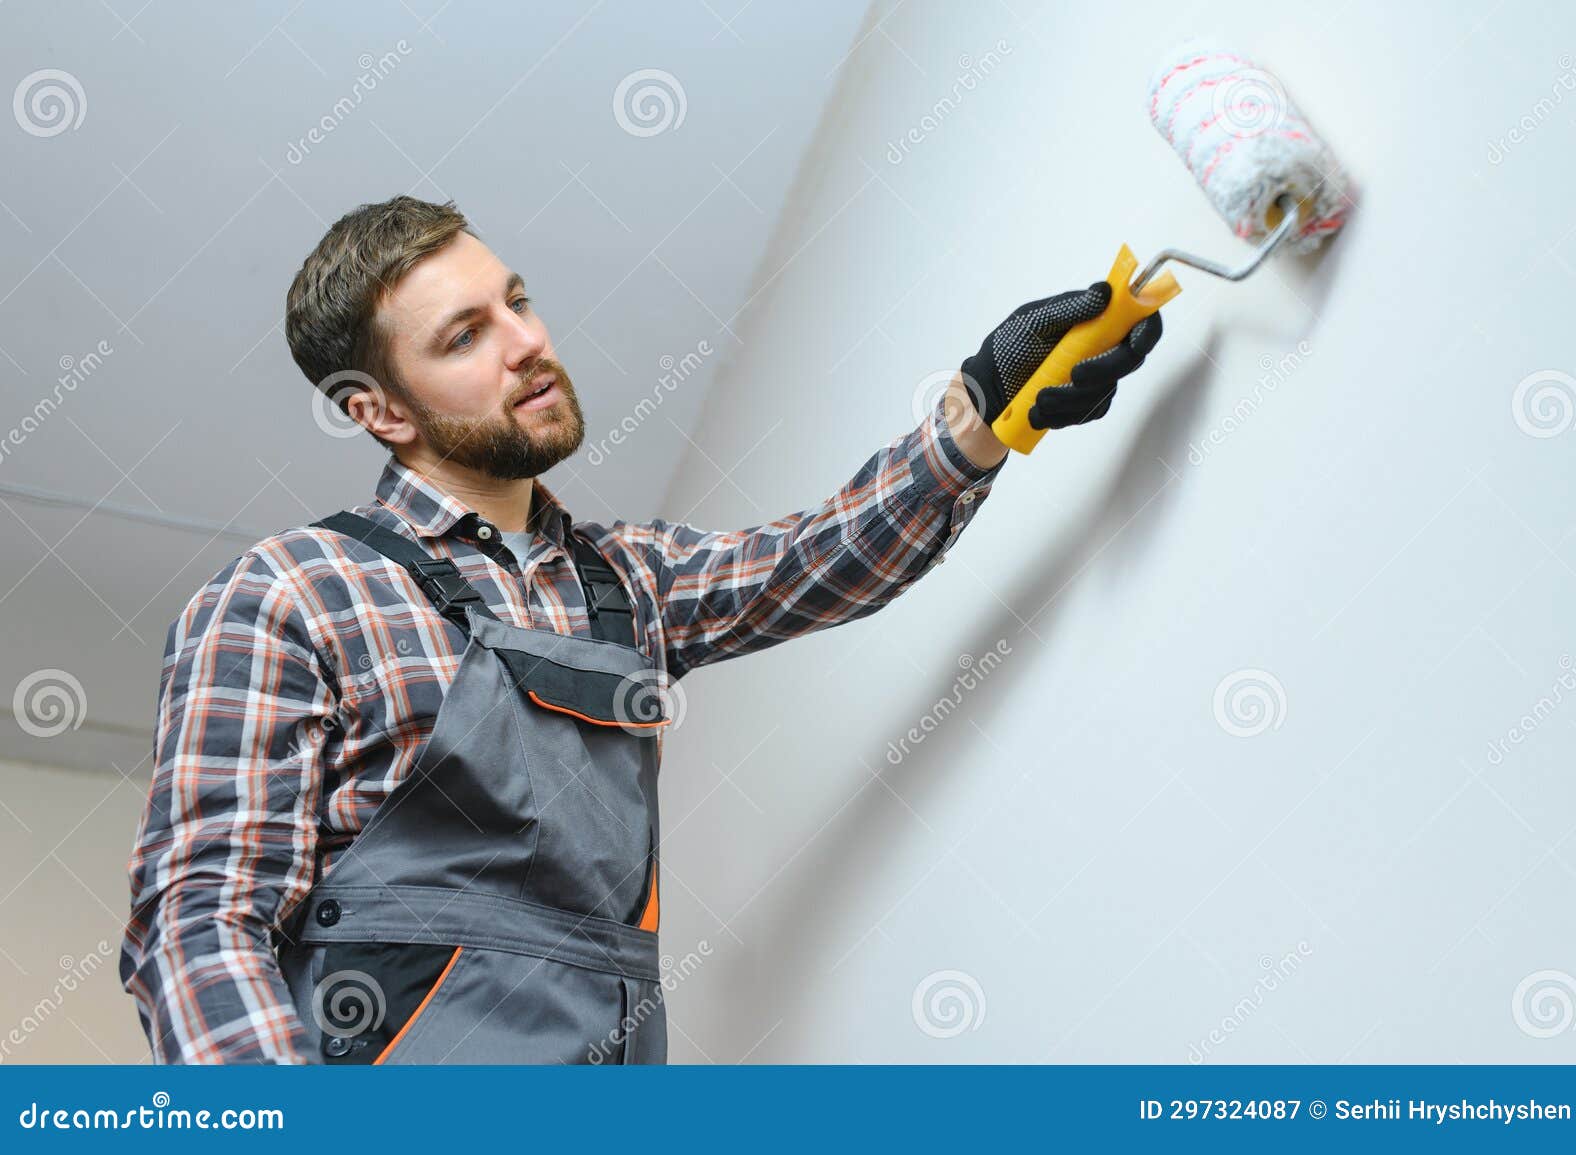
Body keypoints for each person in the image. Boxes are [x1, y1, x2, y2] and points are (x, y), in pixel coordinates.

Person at [119, 195, 1163, 1064]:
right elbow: (198, 921)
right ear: (381, 411)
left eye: (516, 302)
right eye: (464, 336)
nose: (528, 343)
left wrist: (985, 404)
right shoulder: (292, 592)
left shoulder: (630, 580)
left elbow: (813, 563)